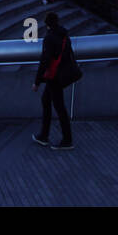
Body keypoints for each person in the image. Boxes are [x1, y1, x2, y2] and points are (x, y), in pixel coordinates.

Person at [32, 13, 81, 150]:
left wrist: (37, 82)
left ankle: (67, 140)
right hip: (61, 74)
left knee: (59, 107)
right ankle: (44, 135)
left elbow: (45, 61)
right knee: (46, 100)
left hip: (54, 77)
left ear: (47, 24)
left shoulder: (49, 38)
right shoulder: (64, 35)